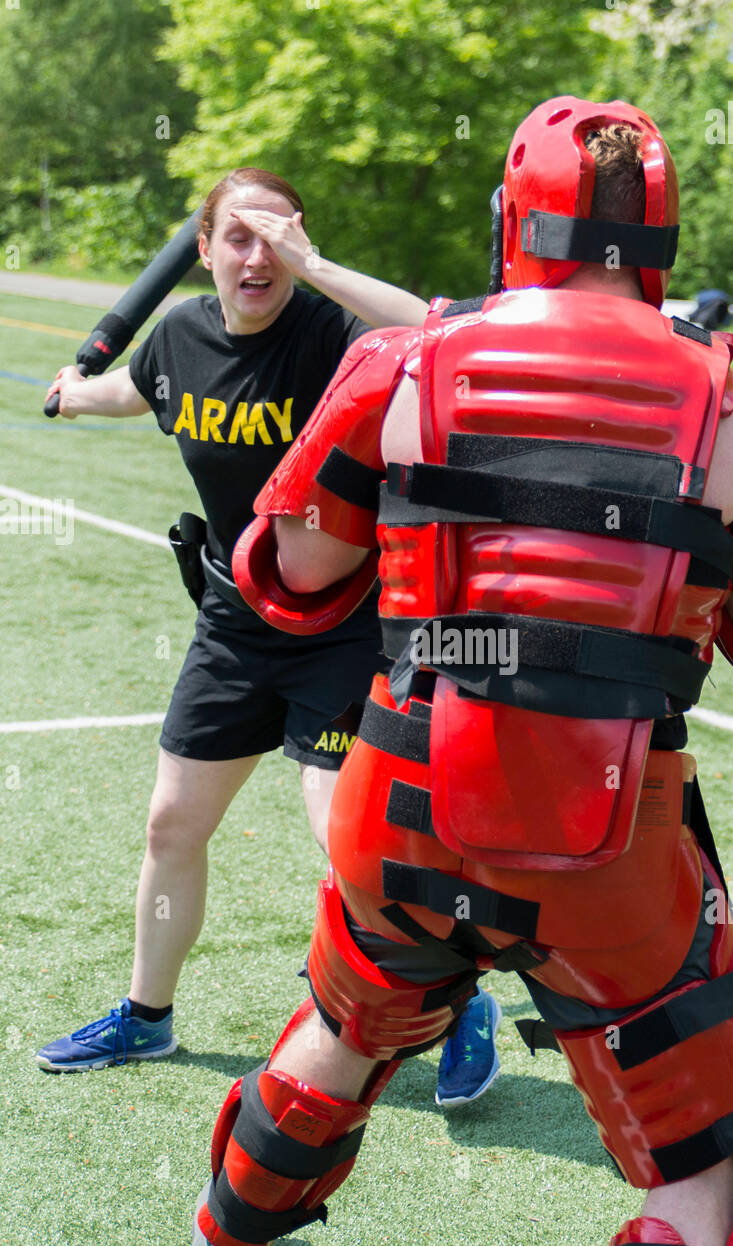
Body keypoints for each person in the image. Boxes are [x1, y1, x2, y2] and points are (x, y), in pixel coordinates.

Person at [182, 102, 733, 1246]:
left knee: (339, 1033)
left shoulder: (400, 359)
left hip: (403, 803)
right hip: (610, 836)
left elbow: (289, 575)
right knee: (711, 1164)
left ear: (514, 221)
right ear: (656, 234)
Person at [34, 167, 498, 1098]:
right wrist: (74, 393)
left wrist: (313, 264)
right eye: (238, 239)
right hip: (231, 622)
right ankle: (147, 1018)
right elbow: (140, 390)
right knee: (172, 820)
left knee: (343, 832)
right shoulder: (180, 336)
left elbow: (435, 331)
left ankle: (459, 999)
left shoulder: (331, 336)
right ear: (202, 252)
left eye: (278, 237)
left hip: (340, 625)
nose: (260, 257)